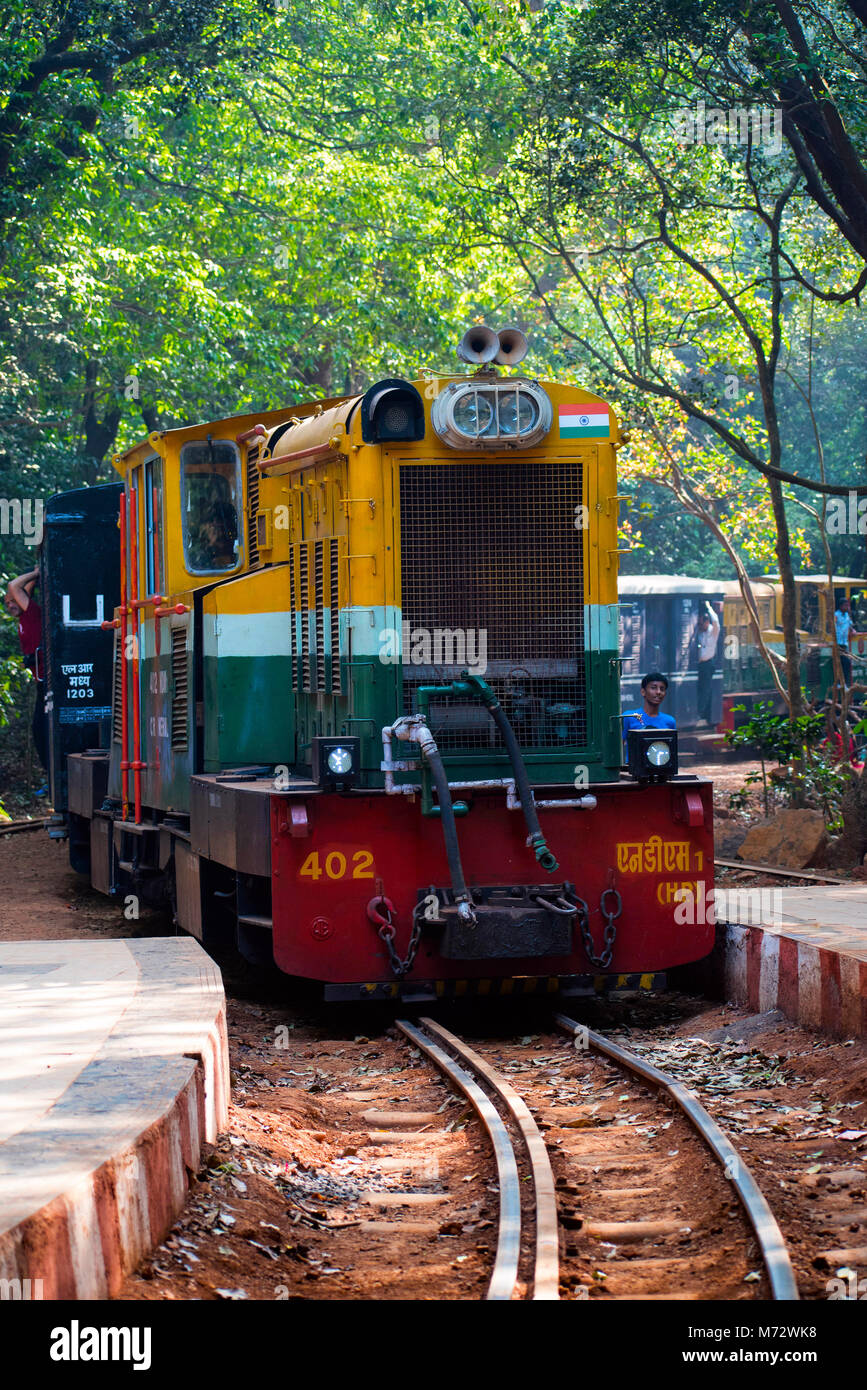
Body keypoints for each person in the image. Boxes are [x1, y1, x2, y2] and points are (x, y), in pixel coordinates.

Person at [4, 566, 48, 770]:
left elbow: (13, 586)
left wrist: (36, 573)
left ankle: (51, 775)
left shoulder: (31, 612)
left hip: (45, 678)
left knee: (40, 730)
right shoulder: (24, 616)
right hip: (39, 678)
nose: (10, 605)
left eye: (13, 600)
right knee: (40, 729)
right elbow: (21, 590)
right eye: (6, 603)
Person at [622, 671, 676, 755]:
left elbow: (670, 753)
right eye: (653, 688)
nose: (658, 692)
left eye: (662, 689)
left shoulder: (669, 721)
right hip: (634, 767)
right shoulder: (629, 717)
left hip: (661, 767)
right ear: (643, 692)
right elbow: (617, 747)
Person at [695, 600, 720, 725]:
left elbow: (716, 621)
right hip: (698, 664)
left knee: (705, 690)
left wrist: (708, 607)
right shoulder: (699, 632)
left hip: (707, 664)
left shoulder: (713, 631)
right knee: (698, 689)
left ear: (707, 621)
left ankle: (701, 712)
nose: (700, 626)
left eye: (702, 623)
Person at [834, 597, 863, 687]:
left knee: (845, 663)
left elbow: (849, 625)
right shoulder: (836, 615)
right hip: (838, 642)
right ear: (841, 606)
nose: (847, 607)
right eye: (846, 605)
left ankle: (843, 683)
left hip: (844, 643)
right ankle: (840, 683)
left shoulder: (847, 615)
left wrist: (853, 630)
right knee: (843, 663)